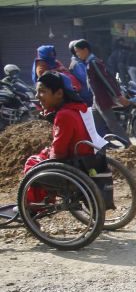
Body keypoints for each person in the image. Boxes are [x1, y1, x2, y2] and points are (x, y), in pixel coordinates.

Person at [22, 72, 106, 203]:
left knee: (32, 162)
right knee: (43, 155)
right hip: (88, 159)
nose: (37, 96)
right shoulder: (79, 108)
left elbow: (59, 152)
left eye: (42, 91)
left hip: (72, 164)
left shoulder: (63, 115)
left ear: (59, 94)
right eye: (37, 92)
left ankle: (35, 204)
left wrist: (49, 154)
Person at [69, 39, 129, 139]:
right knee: (93, 125)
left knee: (112, 124)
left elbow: (106, 80)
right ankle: (100, 147)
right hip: (96, 100)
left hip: (101, 99)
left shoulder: (94, 63)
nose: (77, 54)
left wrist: (118, 96)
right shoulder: (89, 62)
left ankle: (129, 146)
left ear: (85, 50)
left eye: (78, 51)